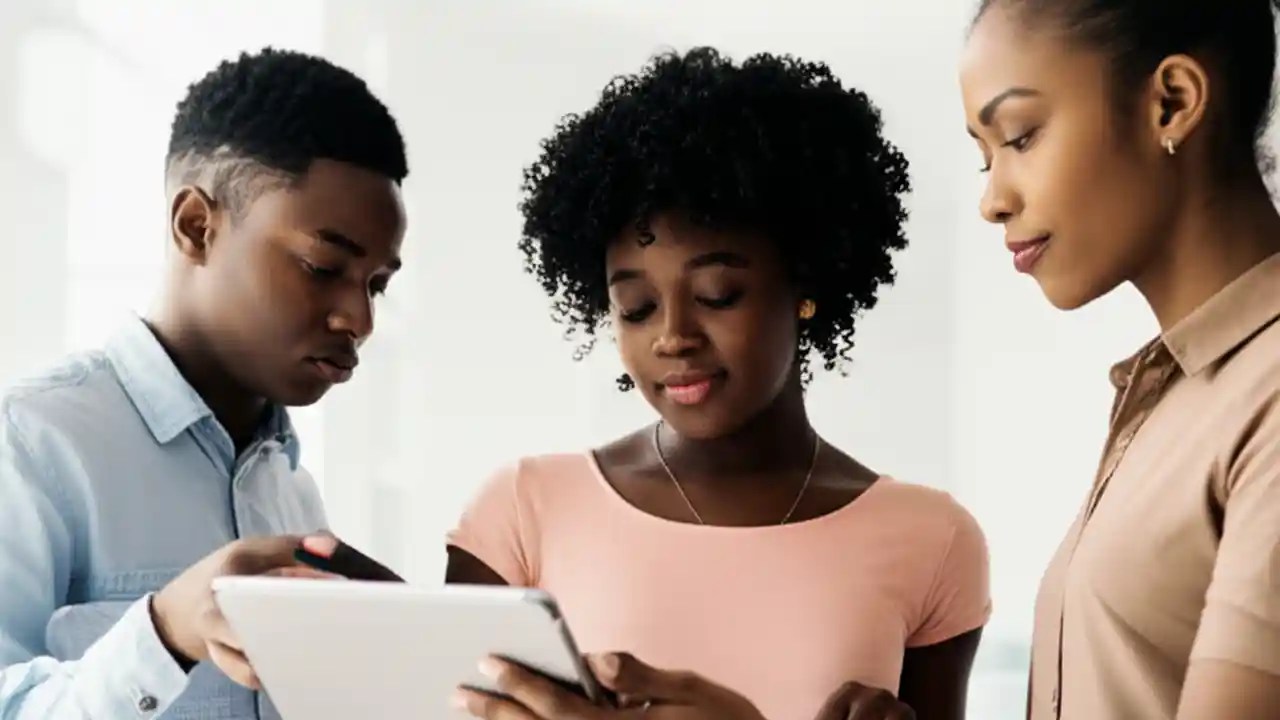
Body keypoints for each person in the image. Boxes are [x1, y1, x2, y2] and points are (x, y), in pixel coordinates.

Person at [446, 47, 991, 720]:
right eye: (636, 308)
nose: (672, 335)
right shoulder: (522, 514)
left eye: (717, 293)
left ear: (807, 284)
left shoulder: (931, 539)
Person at [0, 48, 408, 719]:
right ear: (197, 226)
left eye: (377, 285)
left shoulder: (292, 492)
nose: (359, 318)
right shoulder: (33, 443)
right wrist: (166, 631)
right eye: (322, 265)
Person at [961, 1, 1280, 718]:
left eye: (1020, 136)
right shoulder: (1175, 391)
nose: (992, 199)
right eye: (985, 156)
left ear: (1172, 103)